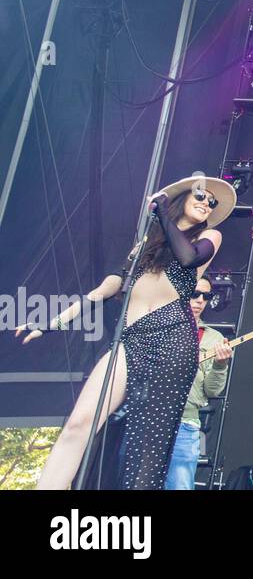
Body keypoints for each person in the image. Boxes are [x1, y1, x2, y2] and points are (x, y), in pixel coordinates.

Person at [16, 174, 234, 489]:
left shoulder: (211, 236)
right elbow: (109, 287)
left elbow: (189, 259)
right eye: (201, 195)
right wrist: (51, 323)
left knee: (146, 449)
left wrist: (160, 213)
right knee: (78, 424)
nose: (206, 204)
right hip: (131, 339)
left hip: (172, 338)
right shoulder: (147, 244)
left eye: (212, 202)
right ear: (182, 197)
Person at [165, 276, 233, 490]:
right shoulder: (159, 329)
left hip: (186, 422)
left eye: (207, 296)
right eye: (195, 294)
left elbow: (212, 391)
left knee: (180, 486)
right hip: (148, 416)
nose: (200, 300)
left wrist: (221, 365)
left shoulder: (213, 338)